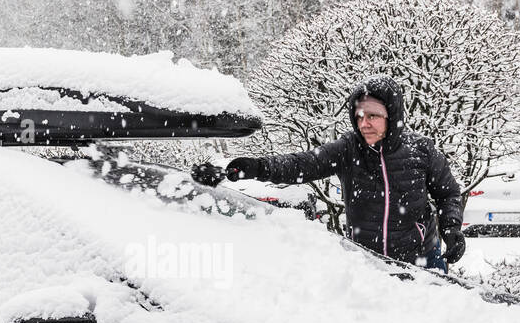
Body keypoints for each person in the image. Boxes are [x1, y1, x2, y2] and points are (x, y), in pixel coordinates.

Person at [192, 76, 466, 270]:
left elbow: (449, 193)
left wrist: (451, 228)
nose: (364, 123)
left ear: (391, 116)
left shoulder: (420, 149)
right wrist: (254, 168)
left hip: (422, 258)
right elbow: (301, 165)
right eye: (359, 116)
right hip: (369, 263)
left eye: (373, 116)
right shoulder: (348, 149)